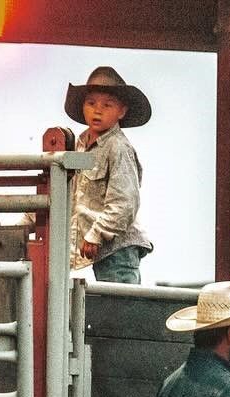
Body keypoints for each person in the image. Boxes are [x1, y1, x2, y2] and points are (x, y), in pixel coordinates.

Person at [64, 66, 153, 284]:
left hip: (117, 248)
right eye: (91, 103)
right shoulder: (80, 146)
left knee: (119, 307)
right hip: (99, 247)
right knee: (105, 305)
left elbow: (125, 201)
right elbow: (66, 193)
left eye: (107, 105)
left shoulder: (118, 147)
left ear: (121, 111)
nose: (97, 110)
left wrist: (98, 233)